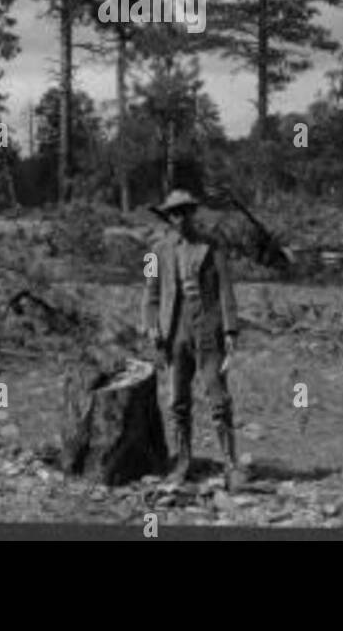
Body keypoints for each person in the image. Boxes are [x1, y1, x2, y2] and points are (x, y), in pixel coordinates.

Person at [141, 189, 244, 488]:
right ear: (168, 217)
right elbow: (151, 293)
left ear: (192, 213)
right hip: (174, 331)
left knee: (218, 398)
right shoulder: (157, 251)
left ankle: (230, 463)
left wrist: (230, 330)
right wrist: (152, 328)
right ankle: (183, 462)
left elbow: (226, 289)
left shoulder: (212, 247)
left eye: (185, 211)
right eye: (174, 213)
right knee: (178, 401)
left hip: (207, 328)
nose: (180, 218)